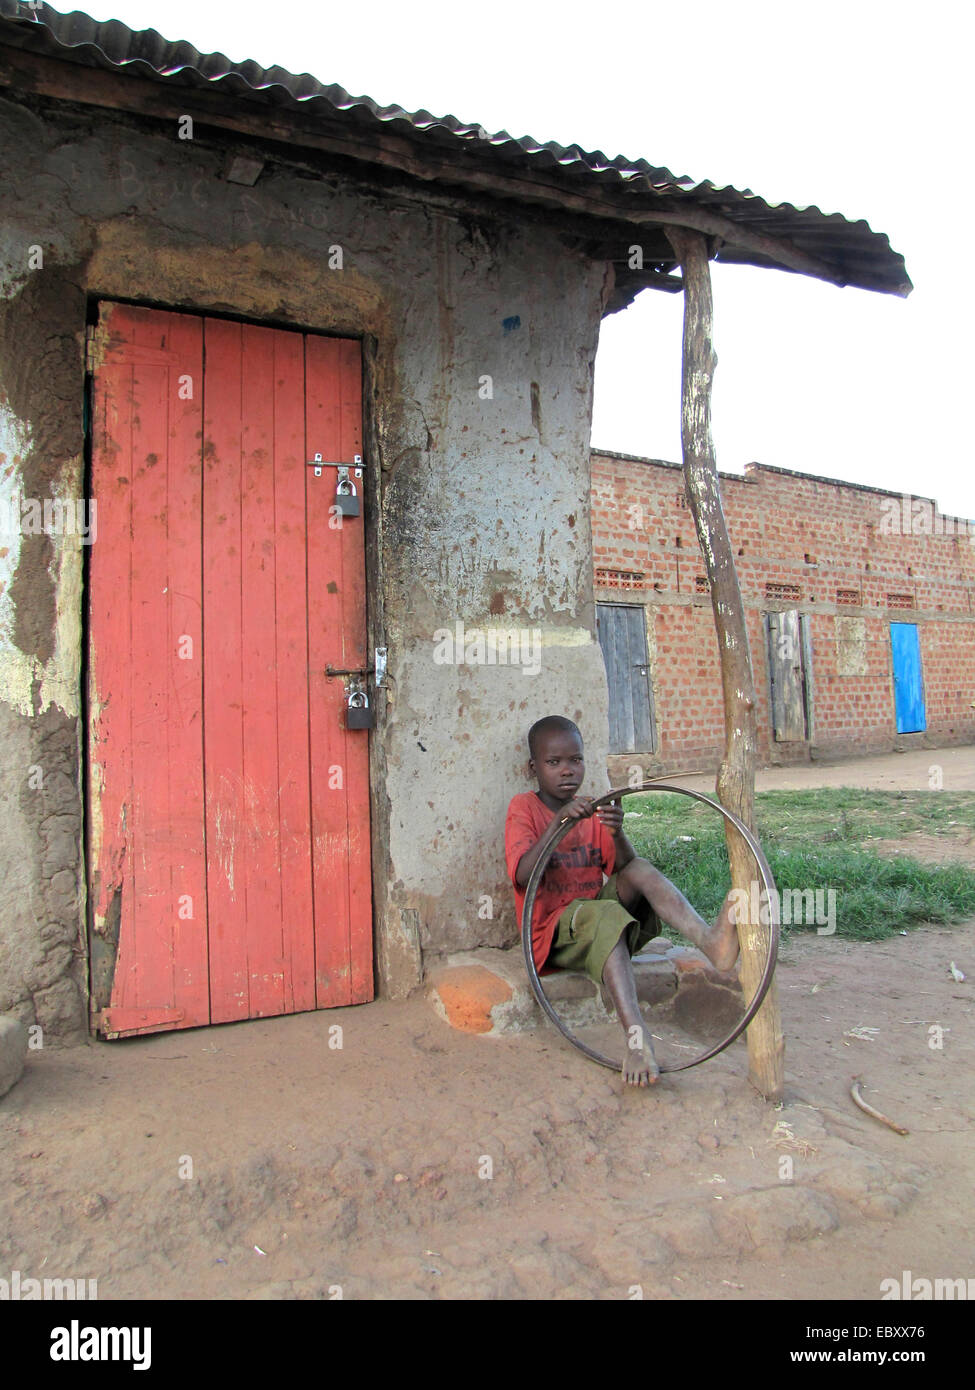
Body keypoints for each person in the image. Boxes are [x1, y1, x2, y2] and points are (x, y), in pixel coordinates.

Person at [504, 715, 739, 1087]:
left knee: (640, 869)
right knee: (603, 914)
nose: (567, 771)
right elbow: (522, 876)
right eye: (554, 763)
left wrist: (617, 832)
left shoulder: (592, 810)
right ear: (533, 768)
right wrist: (557, 825)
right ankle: (637, 1038)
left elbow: (625, 868)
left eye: (575, 760)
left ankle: (712, 942)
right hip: (552, 938)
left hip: (597, 921)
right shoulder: (525, 809)